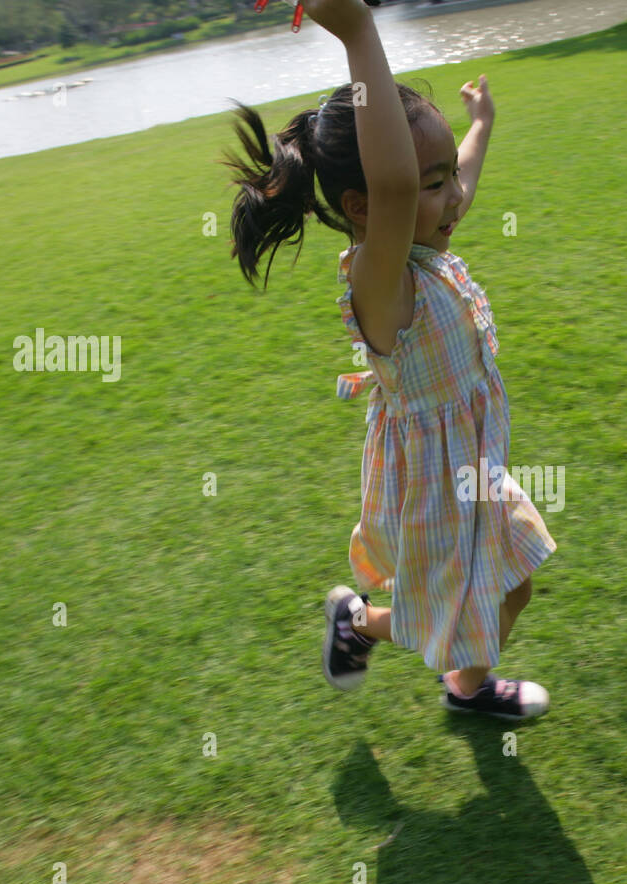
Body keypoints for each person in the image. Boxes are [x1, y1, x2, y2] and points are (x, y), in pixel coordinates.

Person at [225, 0, 555, 720]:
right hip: (433, 485)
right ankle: (362, 625)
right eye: (431, 183)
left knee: (512, 583)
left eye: (445, 176)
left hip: (475, 463)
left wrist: (480, 127)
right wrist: (358, 31)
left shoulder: (426, 242)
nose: (455, 196)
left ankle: (461, 686)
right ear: (364, 206)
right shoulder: (382, 282)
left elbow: (443, 180)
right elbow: (404, 186)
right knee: (445, 607)